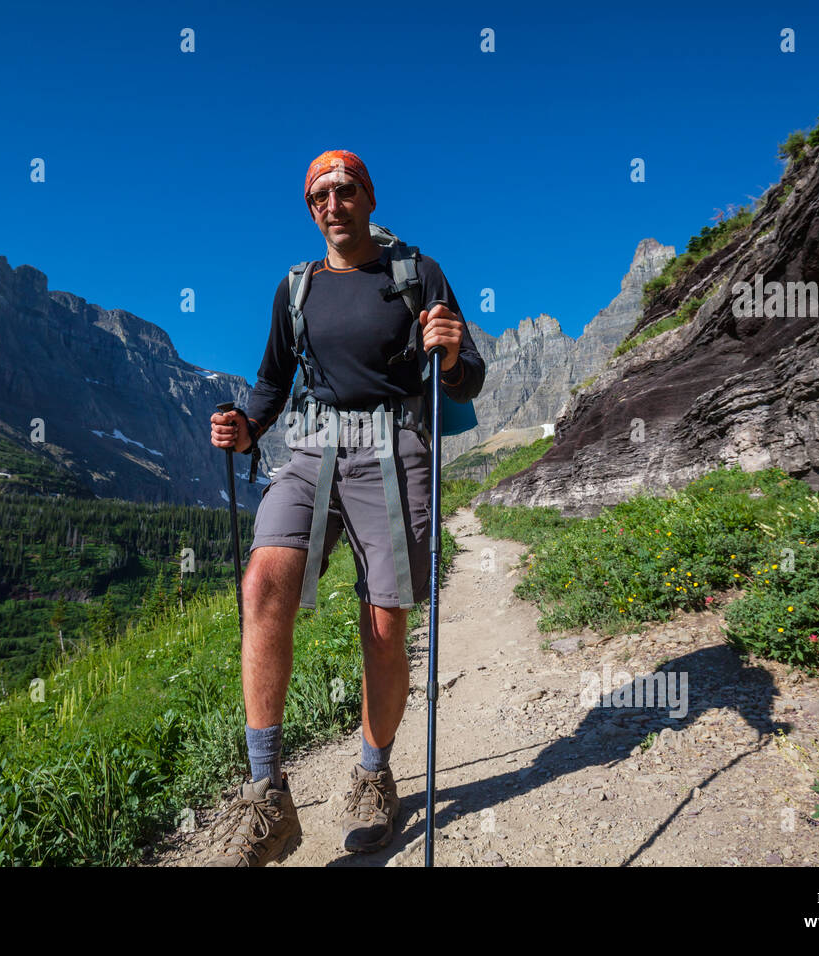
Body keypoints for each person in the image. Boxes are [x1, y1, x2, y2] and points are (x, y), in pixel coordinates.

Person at [207, 149, 484, 865]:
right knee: (264, 579)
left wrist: (449, 355)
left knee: (385, 620)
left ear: (367, 196)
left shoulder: (417, 273)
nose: (333, 203)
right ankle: (267, 794)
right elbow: (271, 383)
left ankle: (372, 774)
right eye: (319, 195)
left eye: (345, 190)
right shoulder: (294, 290)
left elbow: (468, 379)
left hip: (395, 452)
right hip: (308, 452)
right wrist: (246, 426)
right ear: (310, 208)